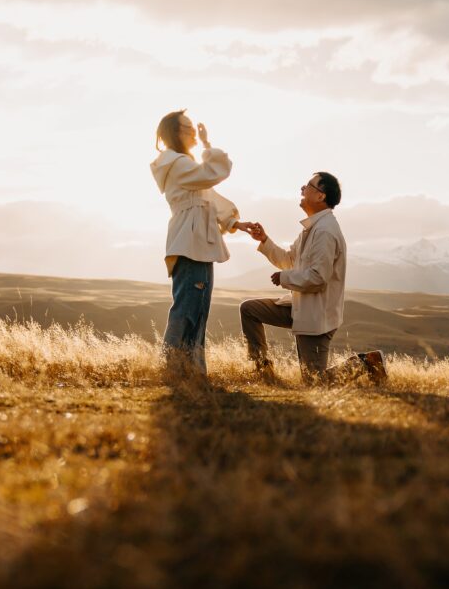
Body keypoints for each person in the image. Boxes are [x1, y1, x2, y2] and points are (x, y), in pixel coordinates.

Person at [236, 172, 385, 385]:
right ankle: (263, 371)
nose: (302, 189)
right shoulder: (312, 228)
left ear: (320, 196)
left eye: (308, 185)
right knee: (249, 310)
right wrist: (264, 240)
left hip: (317, 315)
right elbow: (288, 260)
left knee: (315, 382)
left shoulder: (325, 231)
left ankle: (368, 363)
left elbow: (318, 278)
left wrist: (284, 278)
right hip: (298, 306)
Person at [150, 109, 240, 376]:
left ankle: (190, 370)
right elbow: (212, 174)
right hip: (191, 242)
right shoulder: (176, 163)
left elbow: (208, 195)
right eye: (187, 127)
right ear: (174, 132)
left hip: (196, 241)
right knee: (188, 307)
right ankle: (175, 368)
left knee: (197, 307)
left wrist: (234, 222)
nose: (193, 131)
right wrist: (208, 145)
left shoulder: (181, 164)